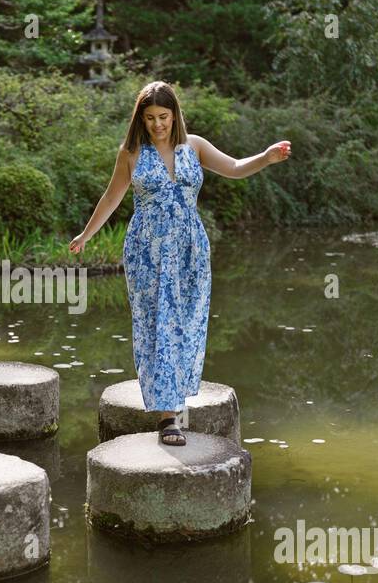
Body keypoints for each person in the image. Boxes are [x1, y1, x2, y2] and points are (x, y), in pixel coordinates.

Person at [69, 80, 291, 444]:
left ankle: (175, 396)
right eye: (151, 117)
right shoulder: (131, 152)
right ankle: (168, 417)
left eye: (164, 116)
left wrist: (265, 158)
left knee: (187, 323)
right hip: (147, 250)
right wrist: (86, 235)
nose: (157, 124)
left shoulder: (196, 147)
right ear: (140, 118)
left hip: (191, 249)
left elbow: (234, 167)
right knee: (158, 325)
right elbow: (112, 197)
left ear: (175, 116)